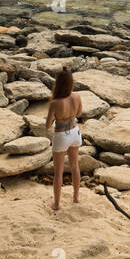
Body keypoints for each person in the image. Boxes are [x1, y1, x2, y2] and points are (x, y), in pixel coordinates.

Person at [45, 67, 83, 210]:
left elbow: (48, 125)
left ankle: (56, 204)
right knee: (74, 166)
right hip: (74, 132)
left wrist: (56, 117)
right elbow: (79, 113)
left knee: (58, 172)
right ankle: (76, 197)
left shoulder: (55, 102)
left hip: (61, 135)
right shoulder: (77, 96)